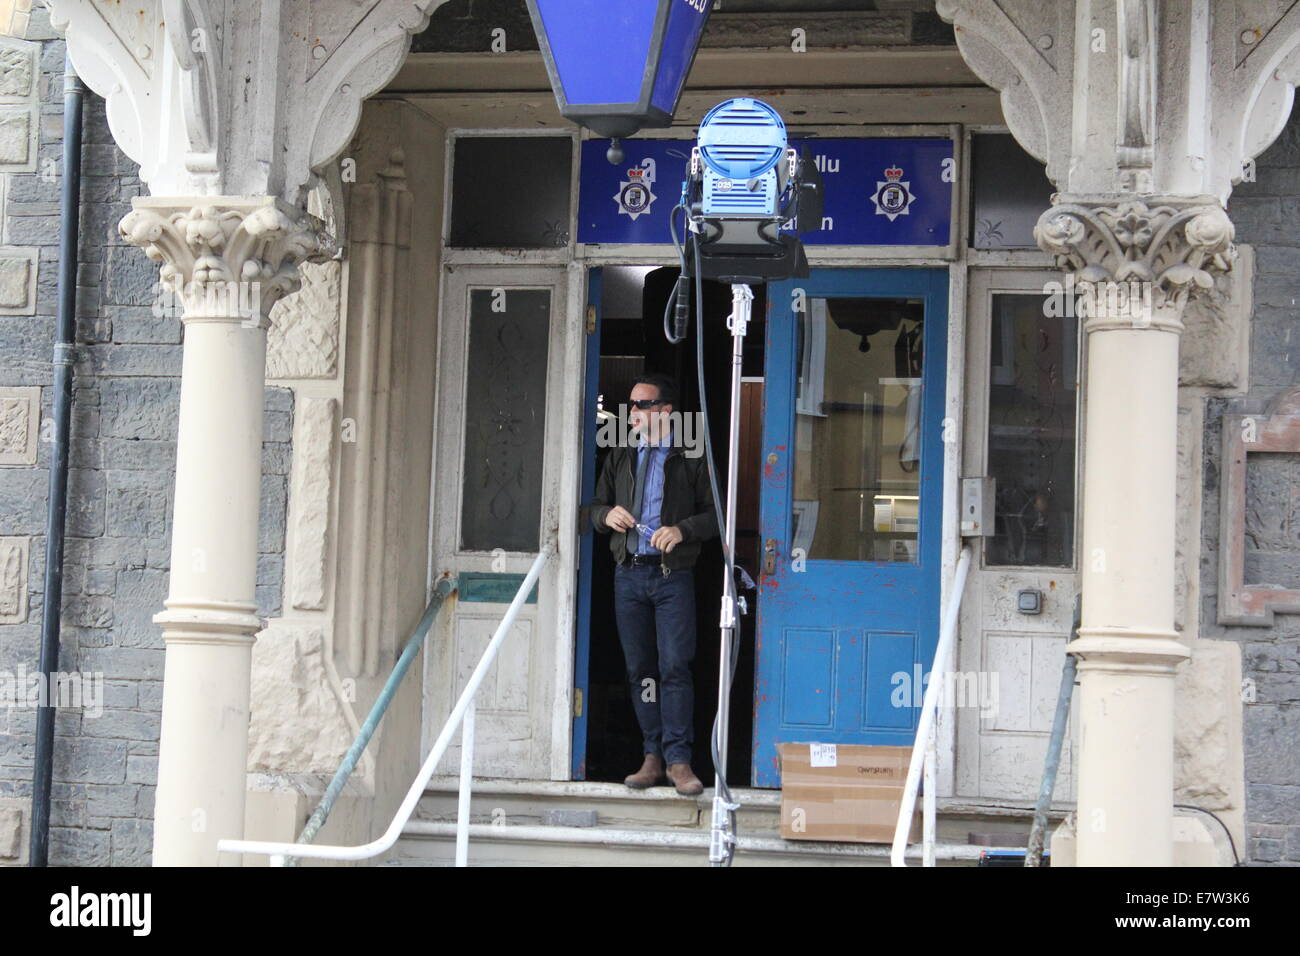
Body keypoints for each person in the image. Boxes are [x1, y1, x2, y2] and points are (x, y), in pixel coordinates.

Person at [589, 373, 718, 796]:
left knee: (675, 668)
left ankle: (680, 761)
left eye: (640, 406)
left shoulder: (691, 455)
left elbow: (718, 516)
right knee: (640, 670)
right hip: (628, 575)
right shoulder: (621, 455)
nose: (632, 415)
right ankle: (652, 756)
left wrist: (681, 530)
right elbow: (591, 508)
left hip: (671, 577)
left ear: (665, 411)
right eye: (630, 406)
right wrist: (605, 515)